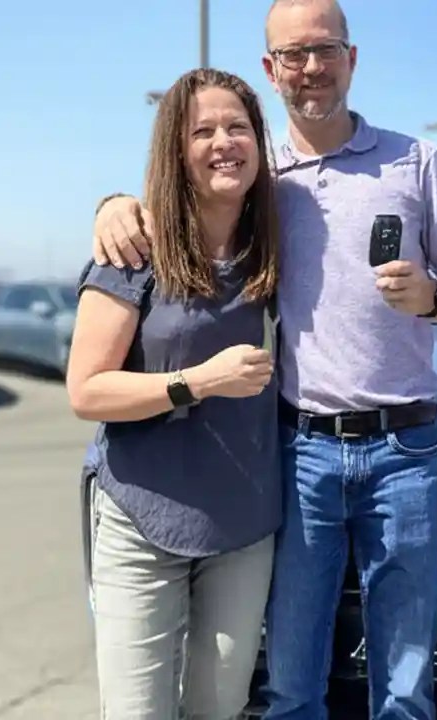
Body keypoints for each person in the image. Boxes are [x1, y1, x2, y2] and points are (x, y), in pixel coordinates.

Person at [90, 1, 437, 717]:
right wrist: (114, 203)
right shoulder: (257, 172)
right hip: (299, 450)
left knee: (405, 680)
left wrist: (435, 298)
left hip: (405, 446)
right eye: (293, 55)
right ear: (269, 70)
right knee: (291, 678)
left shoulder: (416, 161)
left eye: (325, 50)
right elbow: (176, 197)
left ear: (352, 58)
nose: (311, 68)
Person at [66, 67, 283, 720]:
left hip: (244, 527)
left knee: (218, 711)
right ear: (175, 149)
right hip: (142, 519)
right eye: (204, 130)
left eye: (238, 127)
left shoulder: (275, 247)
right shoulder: (135, 247)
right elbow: (87, 390)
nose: (224, 142)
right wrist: (197, 382)